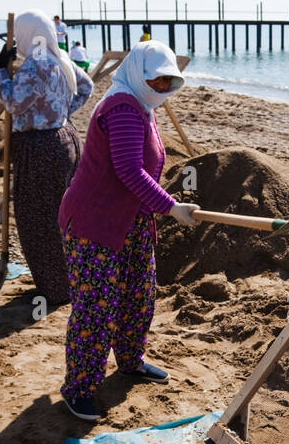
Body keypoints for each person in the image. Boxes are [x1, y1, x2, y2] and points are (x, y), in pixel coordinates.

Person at [57, 40, 200, 421]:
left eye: (169, 83)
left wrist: (160, 207)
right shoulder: (122, 107)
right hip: (95, 222)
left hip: (132, 221)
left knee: (138, 296)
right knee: (96, 309)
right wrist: (171, 206)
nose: (163, 89)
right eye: (157, 82)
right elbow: (127, 170)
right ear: (139, 74)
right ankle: (79, 388)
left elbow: (139, 171)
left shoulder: (143, 106)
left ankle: (131, 360)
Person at [0, 10, 93, 308]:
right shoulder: (59, 57)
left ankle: (57, 289)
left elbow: (12, 102)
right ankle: (70, 279)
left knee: (39, 219)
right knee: (62, 215)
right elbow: (86, 86)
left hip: (40, 147)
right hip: (64, 139)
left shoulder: (36, 64)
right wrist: (59, 111)